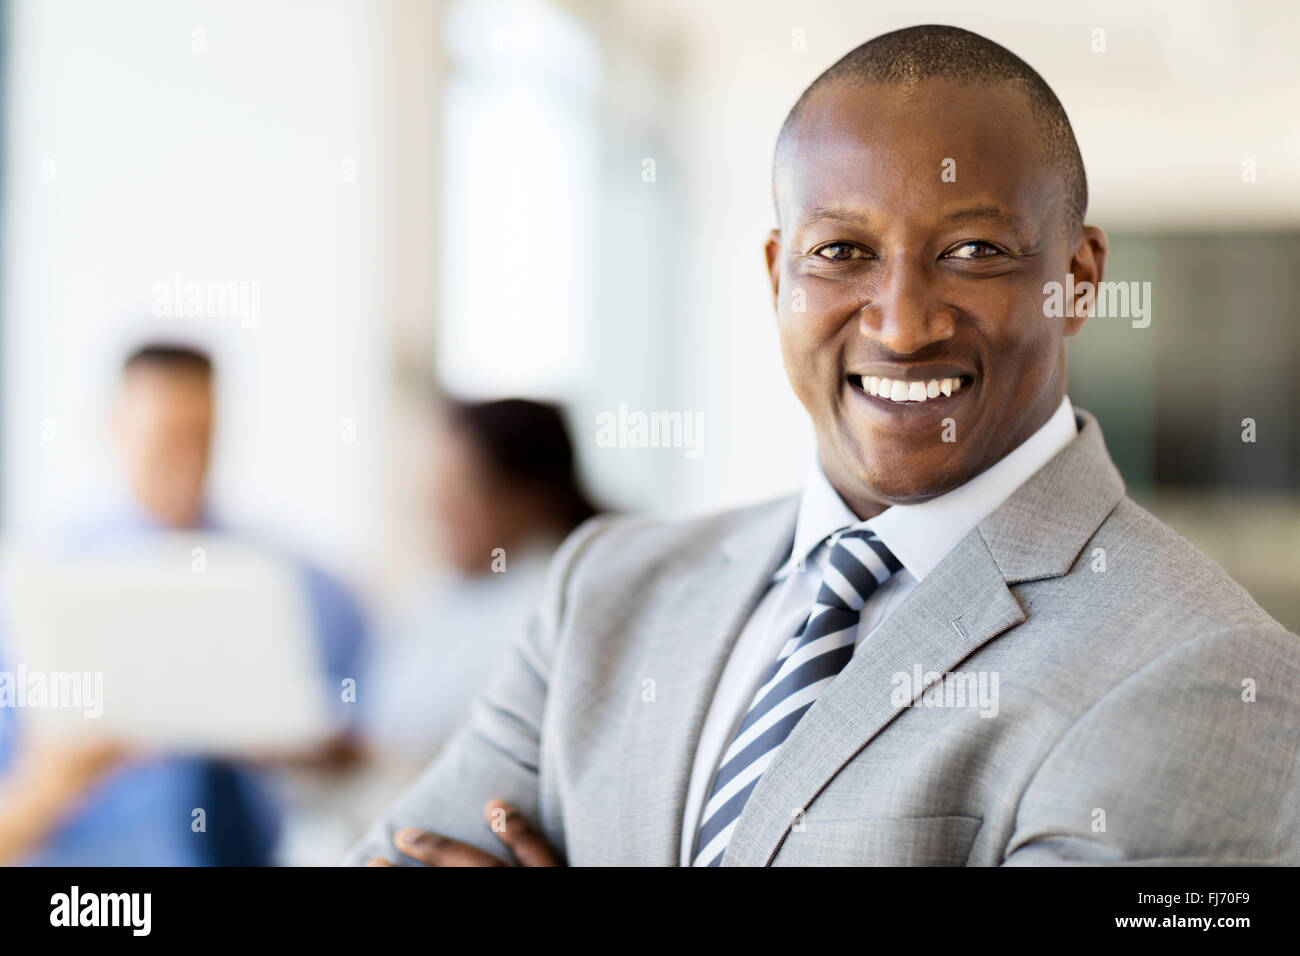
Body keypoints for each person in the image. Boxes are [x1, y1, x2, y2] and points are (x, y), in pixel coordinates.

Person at [348, 25, 1300, 867]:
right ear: (778, 275)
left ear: (1079, 278)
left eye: (974, 252)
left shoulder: (1208, 675)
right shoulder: (604, 591)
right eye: (842, 252)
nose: (902, 324)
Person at [0, 342, 366, 865]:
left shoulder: (304, 586)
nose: (185, 463)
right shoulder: (29, 595)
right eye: (164, 439)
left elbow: (368, 755)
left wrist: (308, 744)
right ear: (115, 429)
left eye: (202, 438)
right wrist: (59, 779)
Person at [363, 396, 599, 761]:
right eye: (437, 494)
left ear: (531, 498)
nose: (441, 513)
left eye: (460, 493)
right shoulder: (440, 595)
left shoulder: (555, 606)